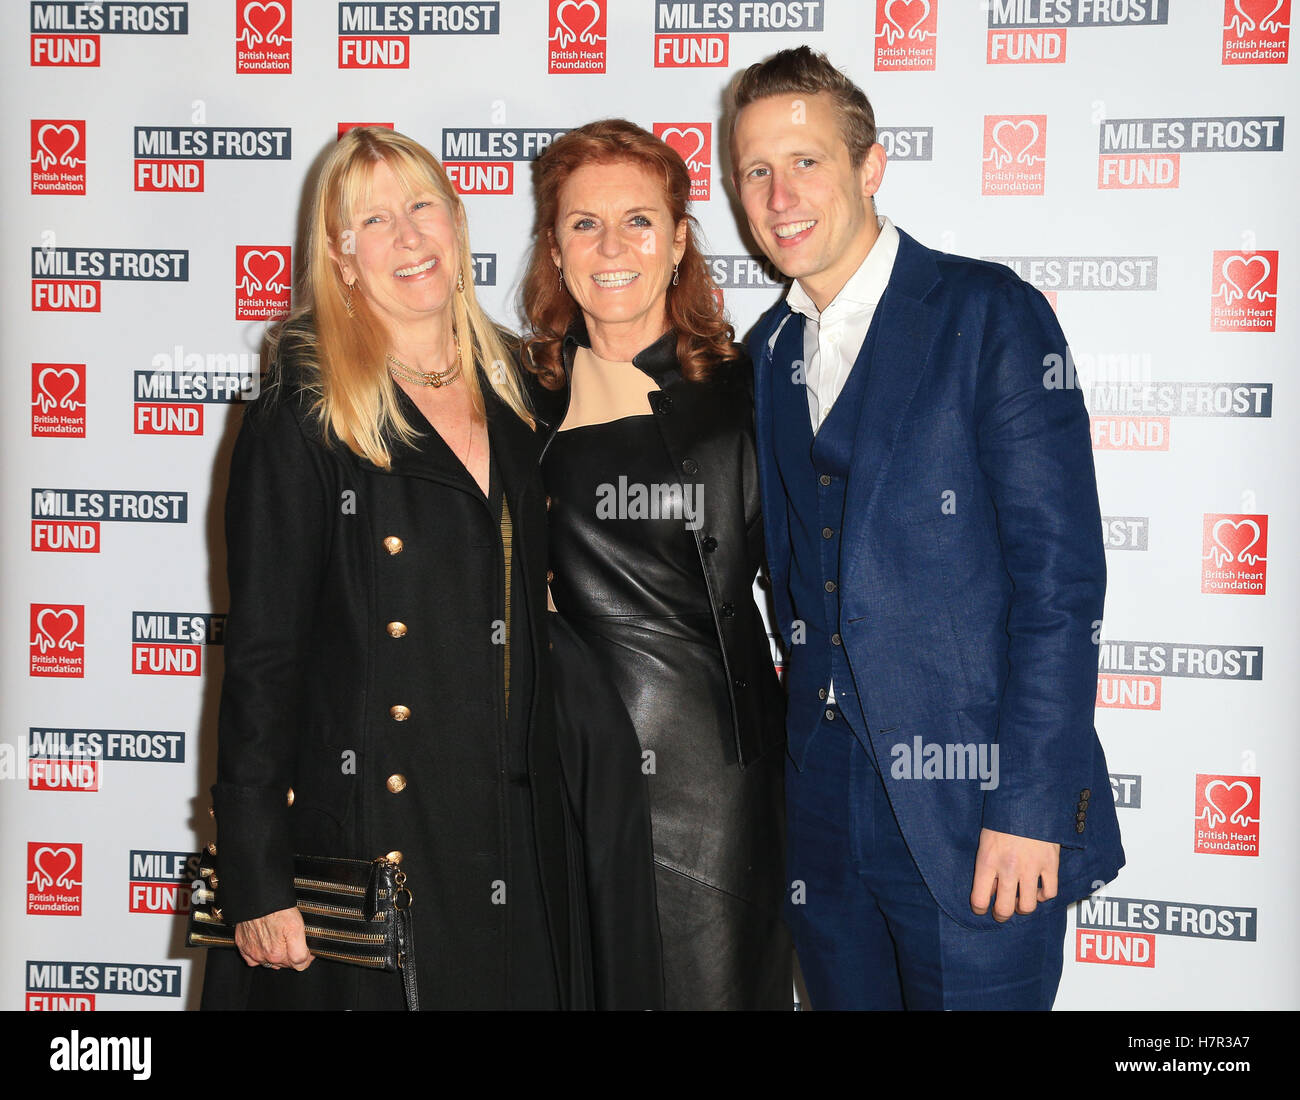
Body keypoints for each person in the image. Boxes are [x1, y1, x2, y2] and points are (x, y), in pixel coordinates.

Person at [728, 48, 1125, 1010]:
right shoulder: (767, 349)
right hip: (820, 817)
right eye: (755, 172)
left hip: (977, 815)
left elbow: (1059, 588)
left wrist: (1030, 807)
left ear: (870, 168)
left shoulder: (989, 315)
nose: (781, 196)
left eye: (807, 161)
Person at [199, 126, 581, 1010]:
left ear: (457, 223)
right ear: (339, 257)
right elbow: (263, 654)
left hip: (511, 831)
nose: (408, 238)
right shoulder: (303, 407)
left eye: (423, 207)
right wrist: (257, 873)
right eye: (374, 221)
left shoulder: (524, 389)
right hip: (372, 834)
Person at [521, 119, 792, 1010]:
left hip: (707, 781)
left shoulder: (745, 394)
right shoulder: (511, 398)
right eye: (583, 224)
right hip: (554, 764)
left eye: (638, 221)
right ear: (554, 249)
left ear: (679, 241)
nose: (611, 248)